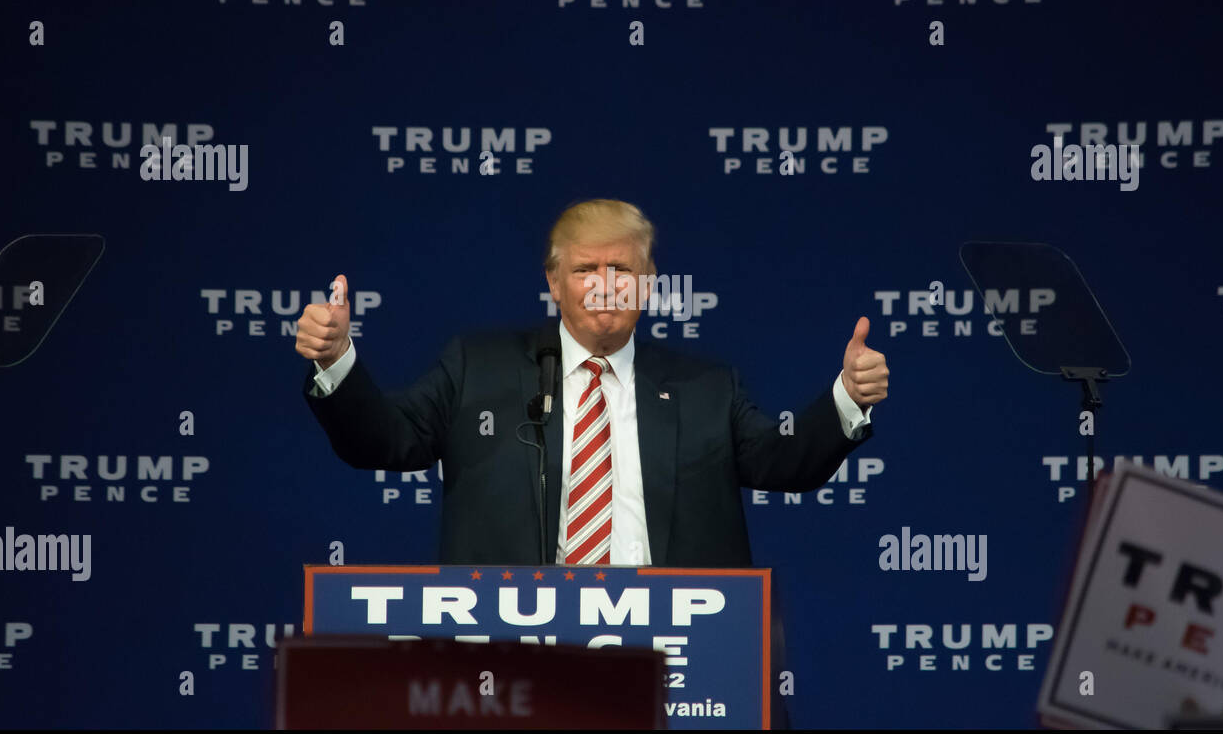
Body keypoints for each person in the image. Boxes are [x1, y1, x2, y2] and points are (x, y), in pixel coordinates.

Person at [296, 199, 888, 566]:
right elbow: (386, 441)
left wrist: (847, 398)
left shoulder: (707, 387)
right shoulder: (477, 366)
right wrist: (339, 359)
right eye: (585, 270)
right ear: (554, 282)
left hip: (675, 652)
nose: (604, 284)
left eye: (621, 269)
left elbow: (782, 463)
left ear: (649, 282)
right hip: (514, 652)